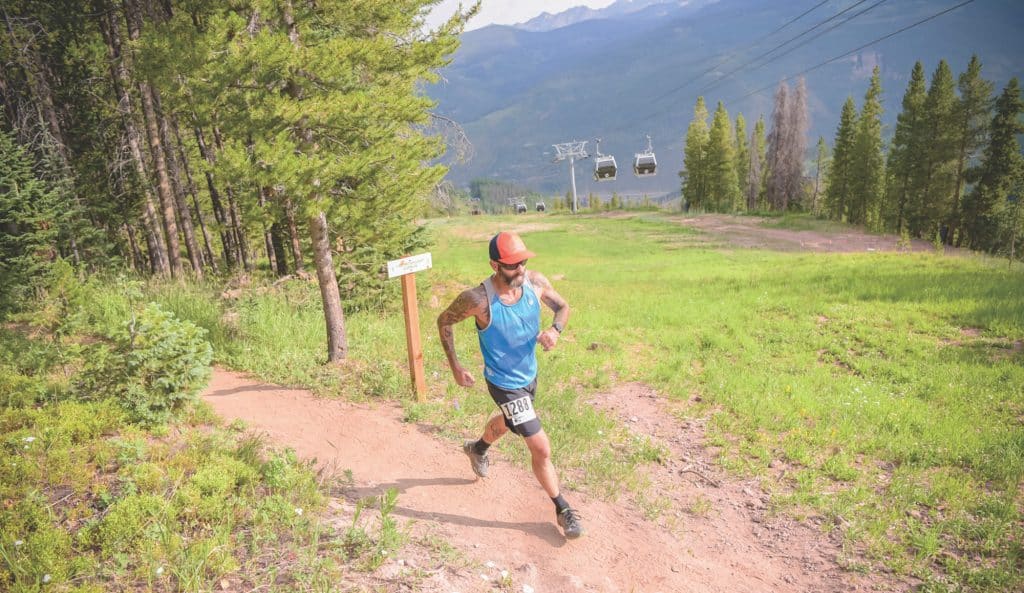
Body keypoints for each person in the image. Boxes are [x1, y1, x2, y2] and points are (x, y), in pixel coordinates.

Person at [436, 231, 584, 539]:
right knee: (540, 446)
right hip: (503, 382)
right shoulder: (478, 300)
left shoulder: (535, 283)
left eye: (523, 262)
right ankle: (562, 509)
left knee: (511, 420)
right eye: (512, 265)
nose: (520, 270)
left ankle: (478, 448)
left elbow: (563, 307)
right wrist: (455, 367)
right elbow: (444, 321)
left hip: (529, 375)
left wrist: (555, 331)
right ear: (494, 265)